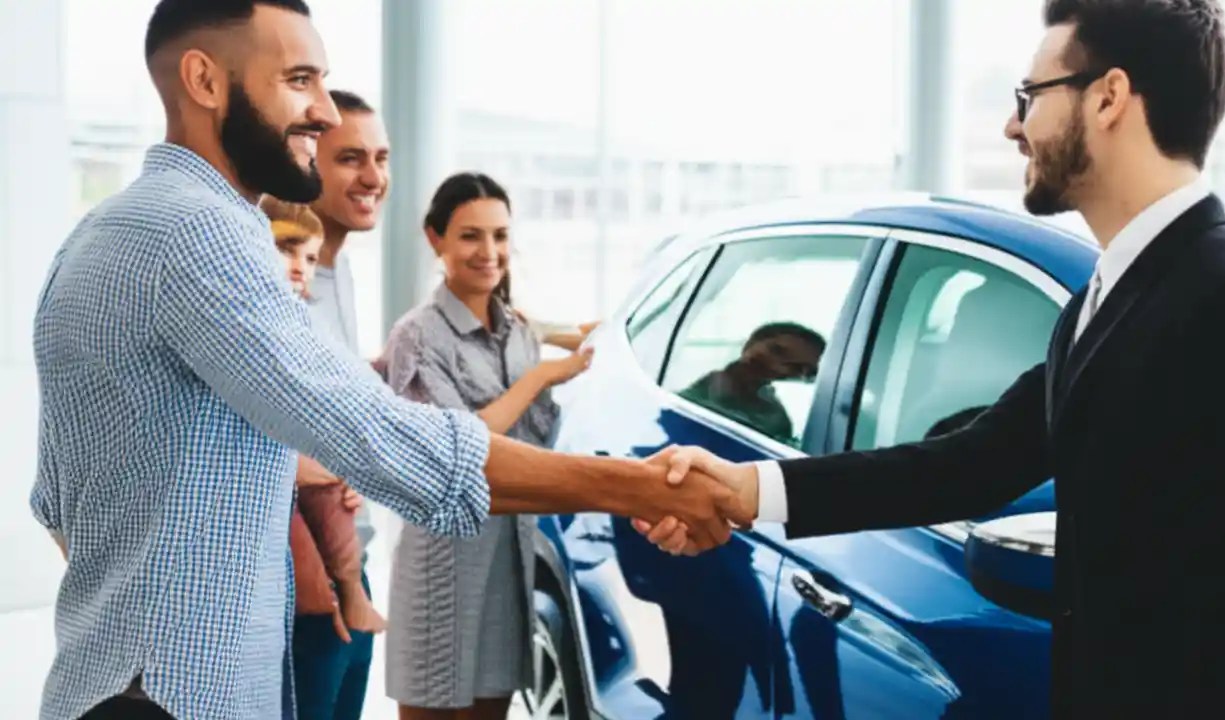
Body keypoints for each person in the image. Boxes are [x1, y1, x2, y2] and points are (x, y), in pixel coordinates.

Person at [29, 2, 743, 719]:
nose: (323, 112)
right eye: (299, 79)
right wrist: (638, 488)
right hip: (172, 699)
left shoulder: (95, 237)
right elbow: (389, 440)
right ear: (204, 80)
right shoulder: (202, 232)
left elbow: (55, 504)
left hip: (110, 687)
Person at [644, 1, 1225, 717]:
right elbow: (971, 466)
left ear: (1109, 97)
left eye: (1029, 97)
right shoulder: (1106, 300)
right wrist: (744, 489)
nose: (1014, 126)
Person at [381, 172, 589, 720]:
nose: (489, 252)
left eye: (500, 236)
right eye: (471, 235)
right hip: (445, 564)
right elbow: (457, 445)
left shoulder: (519, 330)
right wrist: (539, 378)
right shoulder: (417, 335)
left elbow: (593, 336)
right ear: (436, 239)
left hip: (510, 559)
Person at [290, 88, 390, 720]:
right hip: (306, 575)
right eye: (351, 158)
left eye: (381, 156)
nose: (373, 176)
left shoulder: (336, 270)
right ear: (306, 161)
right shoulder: (281, 278)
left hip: (352, 555)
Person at [262, 195, 386, 647]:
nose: (299, 267)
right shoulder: (248, 326)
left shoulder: (304, 321)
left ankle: (348, 594)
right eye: (285, 250)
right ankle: (341, 599)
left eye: (310, 257)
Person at [678, 322, 825, 446]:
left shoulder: (776, 419)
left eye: (800, 369)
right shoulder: (689, 400)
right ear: (750, 343)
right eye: (777, 351)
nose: (780, 366)